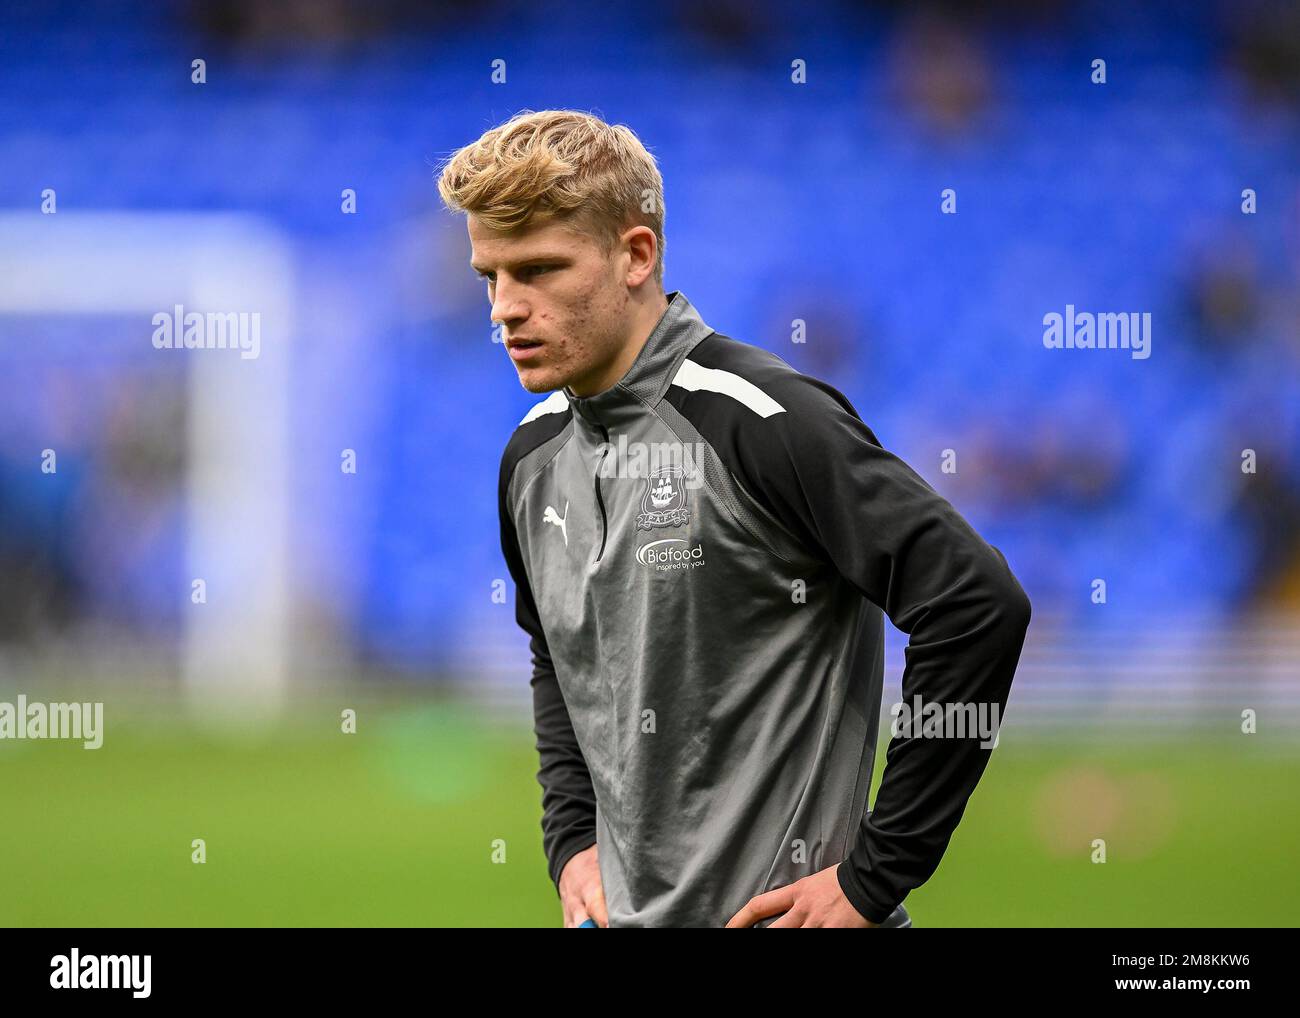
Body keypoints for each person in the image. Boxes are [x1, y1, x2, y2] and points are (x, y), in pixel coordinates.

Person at [438, 109, 1032, 928]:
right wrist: (572, 837)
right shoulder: (530, 459)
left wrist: (875, 875)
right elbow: (559, 656)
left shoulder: (764, 421)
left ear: (635, 256)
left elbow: (977, 605)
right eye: (490, 277)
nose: (506, 307)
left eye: (539, 269)